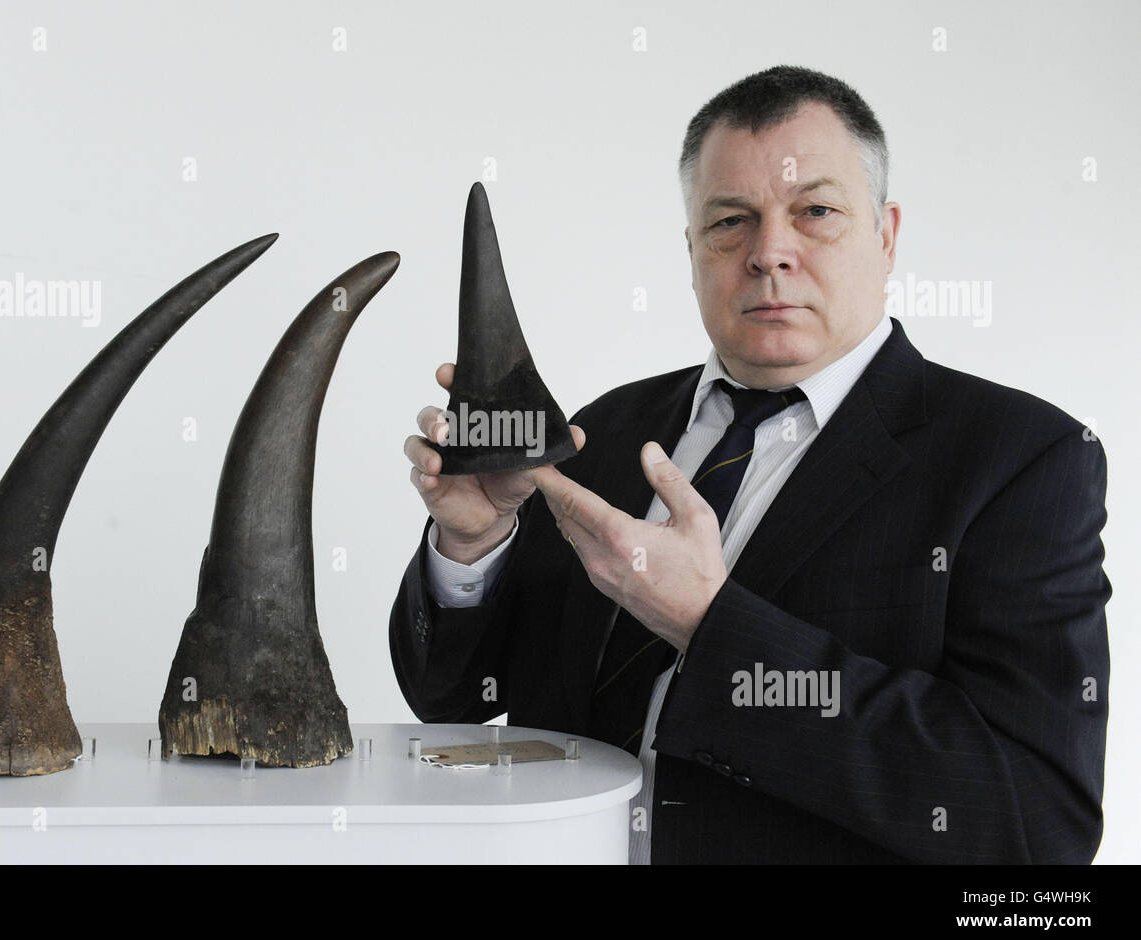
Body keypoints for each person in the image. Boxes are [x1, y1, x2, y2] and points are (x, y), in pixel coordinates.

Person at [390, 65, 1110, 864]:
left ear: (887, 234)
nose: (771, 252)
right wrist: (472, 545)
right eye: (732, 221)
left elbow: (1037, 822)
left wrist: (709, 621)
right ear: (691, 248)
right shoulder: (604, 430)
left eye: (817, 212)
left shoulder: (1020, 460)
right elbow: (451, 700)